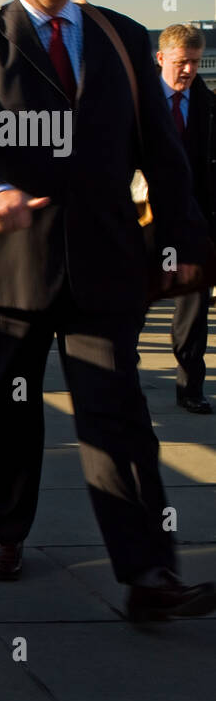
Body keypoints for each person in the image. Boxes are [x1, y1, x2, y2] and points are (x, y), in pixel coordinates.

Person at [0, 0, 215, 619]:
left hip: (103, 264)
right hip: (5, 265)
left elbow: (163, 151)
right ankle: (7, 531)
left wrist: (182, 241)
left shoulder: (122, 37)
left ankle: (149, 575)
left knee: (118, 416)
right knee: (7, 413)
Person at [155, 24, 216, 414]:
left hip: (196, 225)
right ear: (160, 59)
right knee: (129, 308)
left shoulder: (210, 108)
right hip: (145, 224)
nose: (189, 70)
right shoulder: (135, 104)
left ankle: (190, 386)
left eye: (194, 62)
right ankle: (119, 381)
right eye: (181, 62)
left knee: (194, 310)